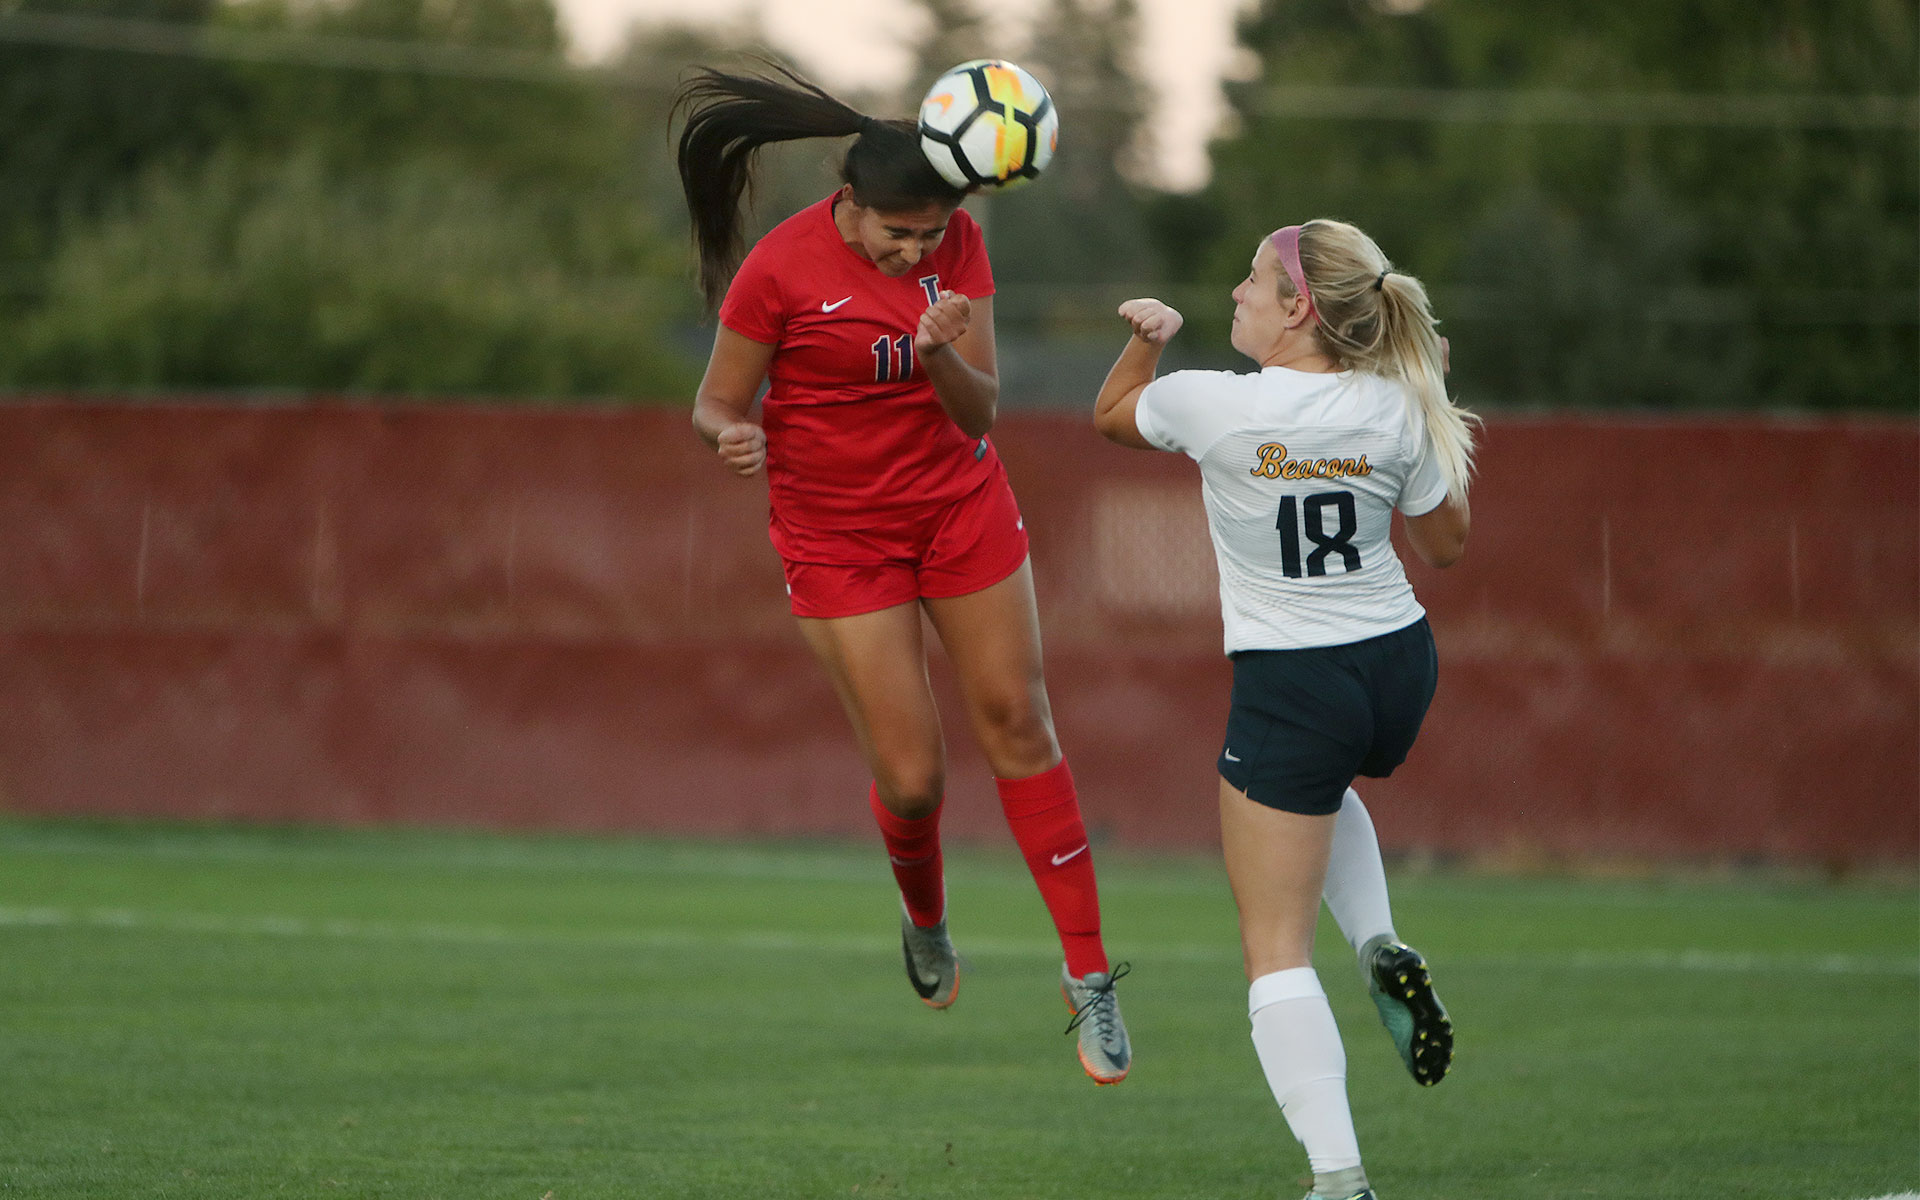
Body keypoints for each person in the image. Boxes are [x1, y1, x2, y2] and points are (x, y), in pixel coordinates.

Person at [672, 62, 1131, 1084]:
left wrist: (937, 353)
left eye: (931, 234)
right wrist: (729, 438)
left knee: (1019, 719)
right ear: (850, 202)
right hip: (837, 535)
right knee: (914, 778)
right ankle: (925, 920)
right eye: (899, 234)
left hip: (957, 506)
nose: (917, 248)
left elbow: (982, 413)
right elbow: (714, 403)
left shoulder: (960, 244)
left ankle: (1090, 977)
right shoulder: (781, 270)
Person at [1091, 218, 1476, 1198]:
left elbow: (1111, 415)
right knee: (1318, 791)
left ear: (1298, 306)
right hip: (1397, 665)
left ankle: (1338, 1181)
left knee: (1272, 953)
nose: (1235, 294)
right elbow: (1446, 546)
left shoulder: (1210, 404)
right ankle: (1380, 940)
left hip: (1294, 676)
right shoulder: (1396, 407)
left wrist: (1147, 336)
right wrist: (1426, 402)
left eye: (1253, 281)